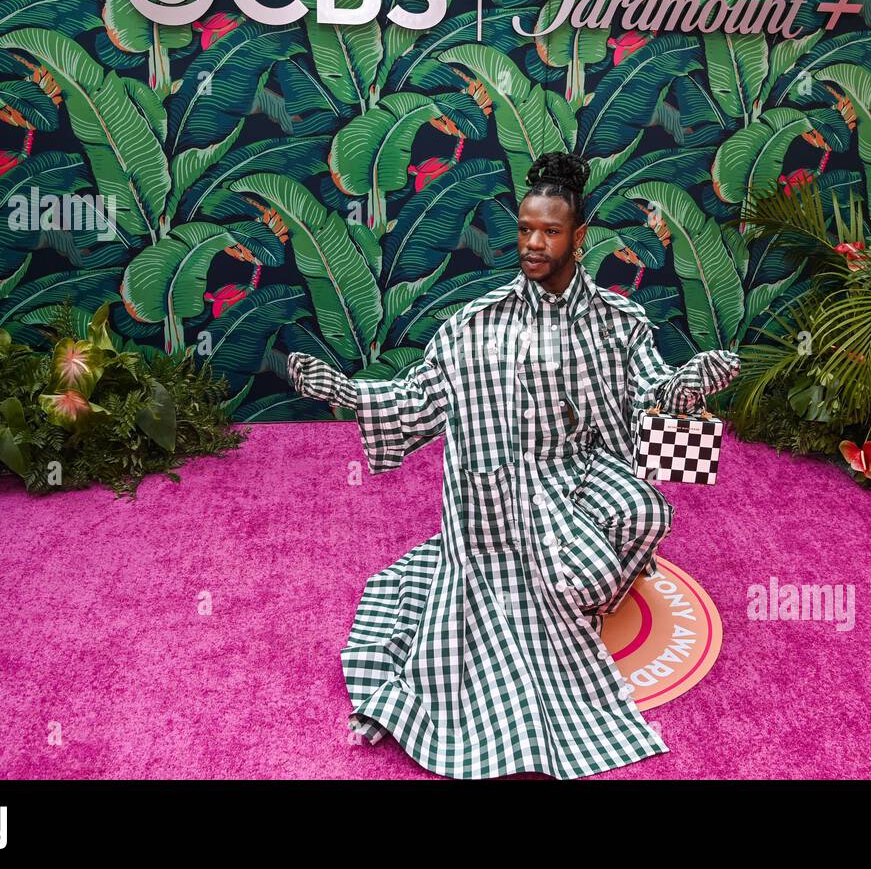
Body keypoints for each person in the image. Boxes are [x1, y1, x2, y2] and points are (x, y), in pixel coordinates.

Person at [287, 151, 741, 779]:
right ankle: (546, 598)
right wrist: (343, 390)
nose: (533, 242)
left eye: (549, 232)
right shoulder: (477, 324)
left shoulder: (619, 321)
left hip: (585, 469)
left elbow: (652, 394)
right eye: (526, 229)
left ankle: (574, 578)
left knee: (645, 513)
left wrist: (690, 383)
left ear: (578, 239)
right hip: (506, 490)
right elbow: (420, 399)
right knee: (562, 581)